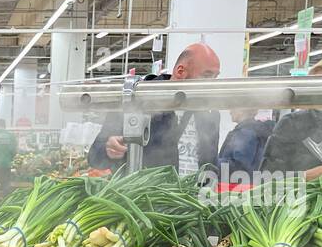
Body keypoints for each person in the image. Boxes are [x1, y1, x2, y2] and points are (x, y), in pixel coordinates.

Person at [87, 43, 222, 173]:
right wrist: (109, 148)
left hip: (192, 196)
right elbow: (95, 157)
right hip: (145, 195)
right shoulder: (137, 100)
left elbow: (210, 165)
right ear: (181, 71)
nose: (212, 83)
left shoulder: (210, 114)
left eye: (215, 77)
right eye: (207, 75)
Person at [215, 108, 275, 184]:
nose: (230, 112)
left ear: (241, 110)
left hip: (237, 189)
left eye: (233, 108)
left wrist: (213, 162)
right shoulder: (253, 130)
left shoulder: (246, 133)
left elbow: (240, 167)